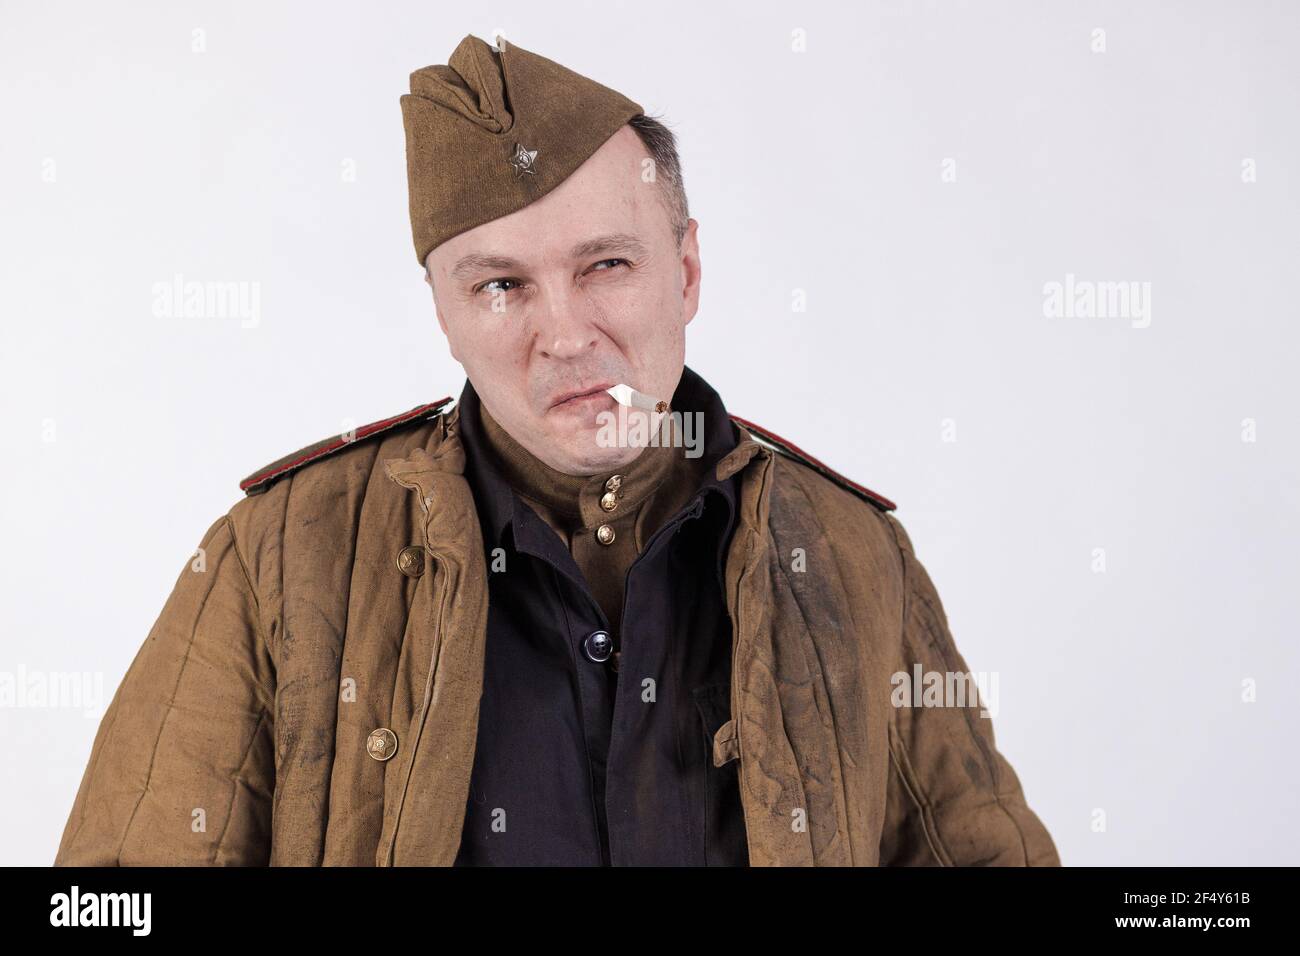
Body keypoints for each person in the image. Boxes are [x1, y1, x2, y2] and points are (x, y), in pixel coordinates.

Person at [54, 33, 1059, 866]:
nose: (566, 334)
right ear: (444, 313)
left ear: (688, 270)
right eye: (502, 286)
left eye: (606, 265)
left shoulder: (849, 552)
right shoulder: (278, 556)